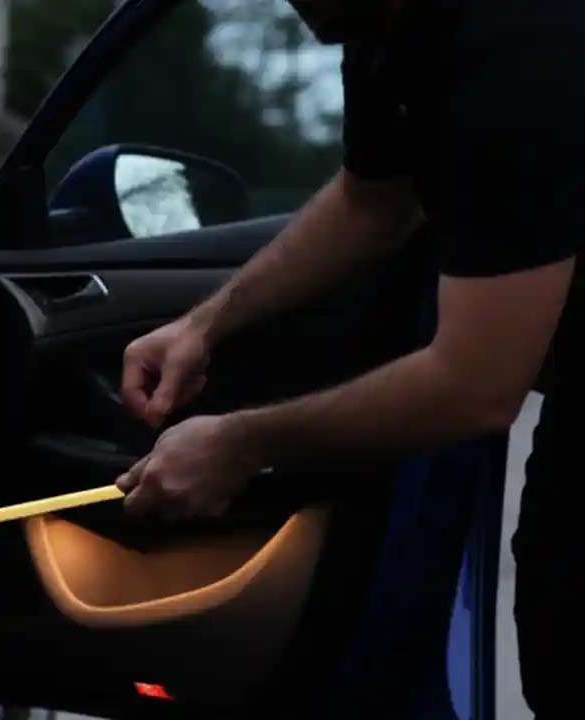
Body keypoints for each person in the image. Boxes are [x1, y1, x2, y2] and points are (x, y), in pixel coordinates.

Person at [115, 0, 584, 716]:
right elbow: (373, 201)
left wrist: (242, 444)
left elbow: (475, 385)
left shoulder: (524, 39)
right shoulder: (384, 28)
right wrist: (204, 324)